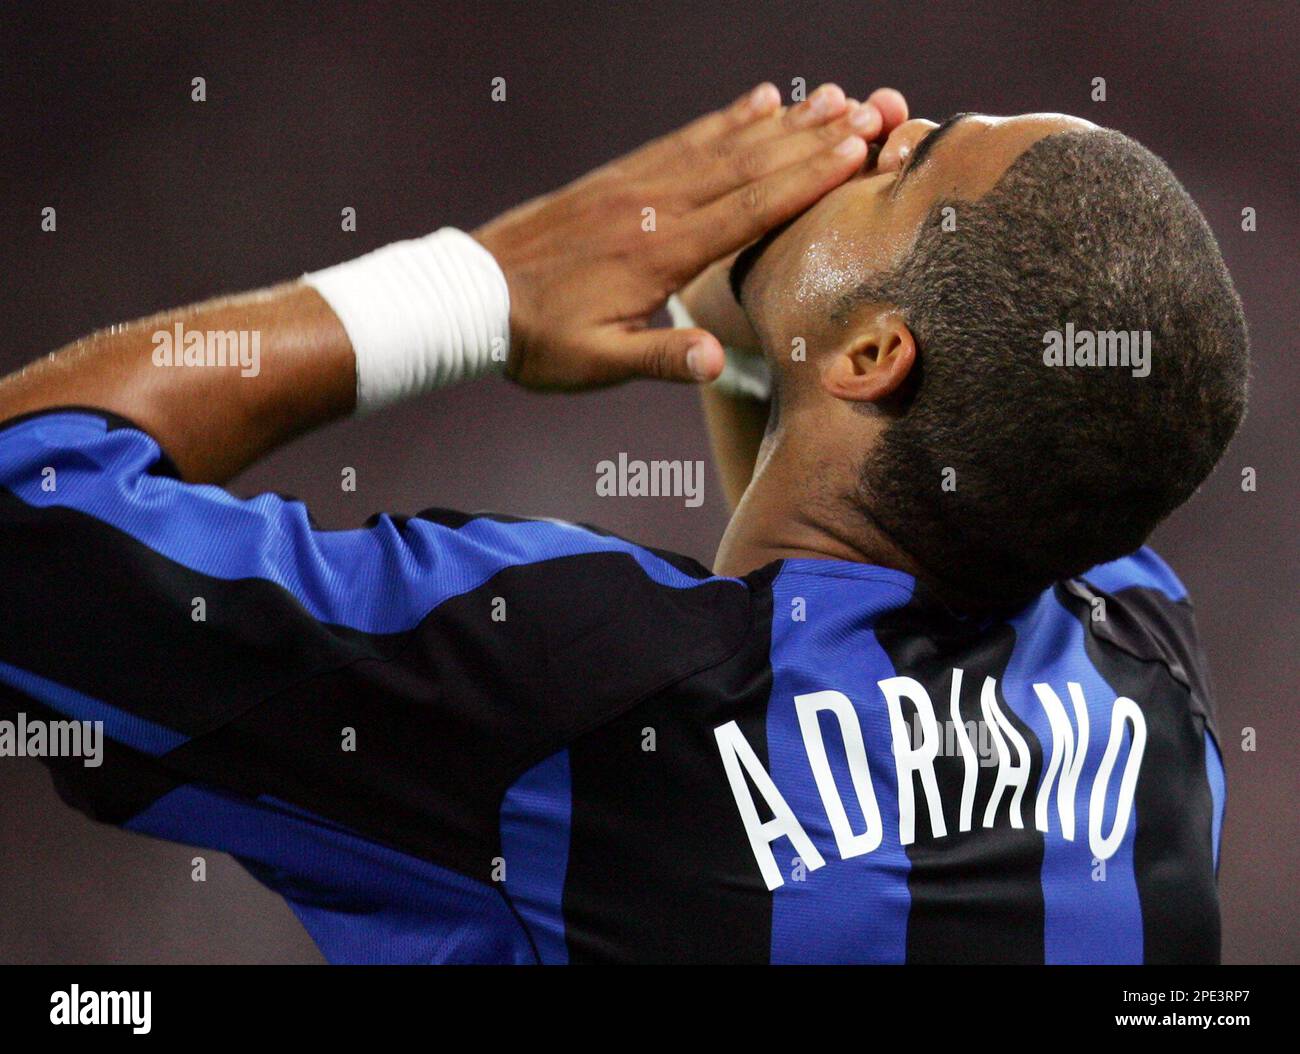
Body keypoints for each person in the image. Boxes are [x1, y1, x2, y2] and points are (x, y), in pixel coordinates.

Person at [0, 81, 1246, 964]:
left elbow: (27, 505)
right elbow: (931, 488)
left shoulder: (580, 683)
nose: (869, 121)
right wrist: (772, 344)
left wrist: (482, 284)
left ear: (873, 352)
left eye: (905, 162)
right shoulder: (1152, 688)